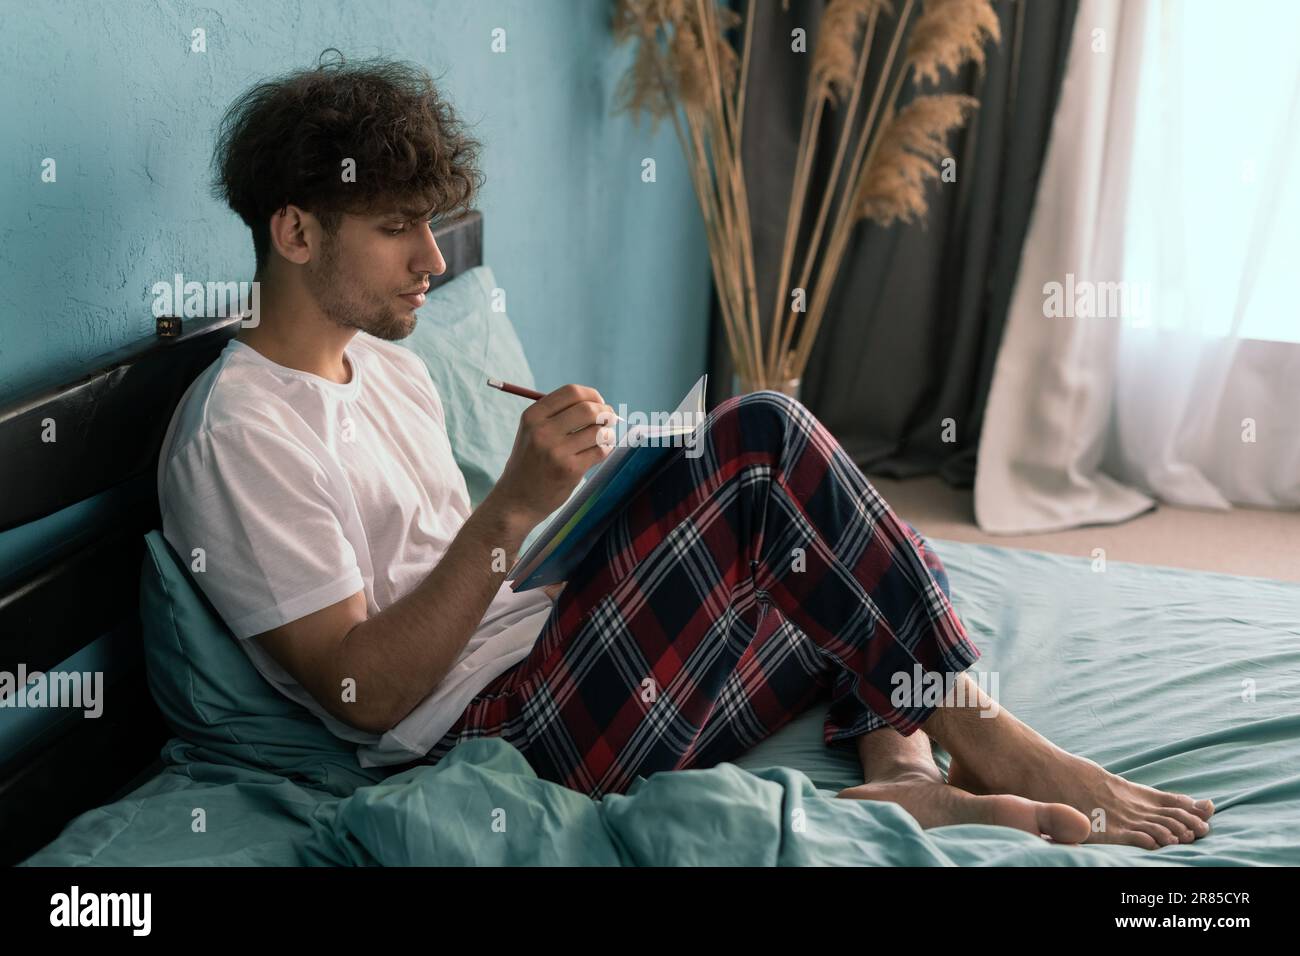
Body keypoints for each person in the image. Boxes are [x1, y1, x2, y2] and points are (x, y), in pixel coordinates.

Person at [159, 53, 1213, 850]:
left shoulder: (383, 363)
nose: (433, 260)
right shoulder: (237, 432)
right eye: (399, 229)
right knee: (764, 443)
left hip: (548, 645)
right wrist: (512, 508)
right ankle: (985, 732)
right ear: (293, 234)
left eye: (433, 227)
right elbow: (363, 696)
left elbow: (474, 569)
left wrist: (598, 501)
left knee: (823, 553)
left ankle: (902, 760)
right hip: (494, 730)